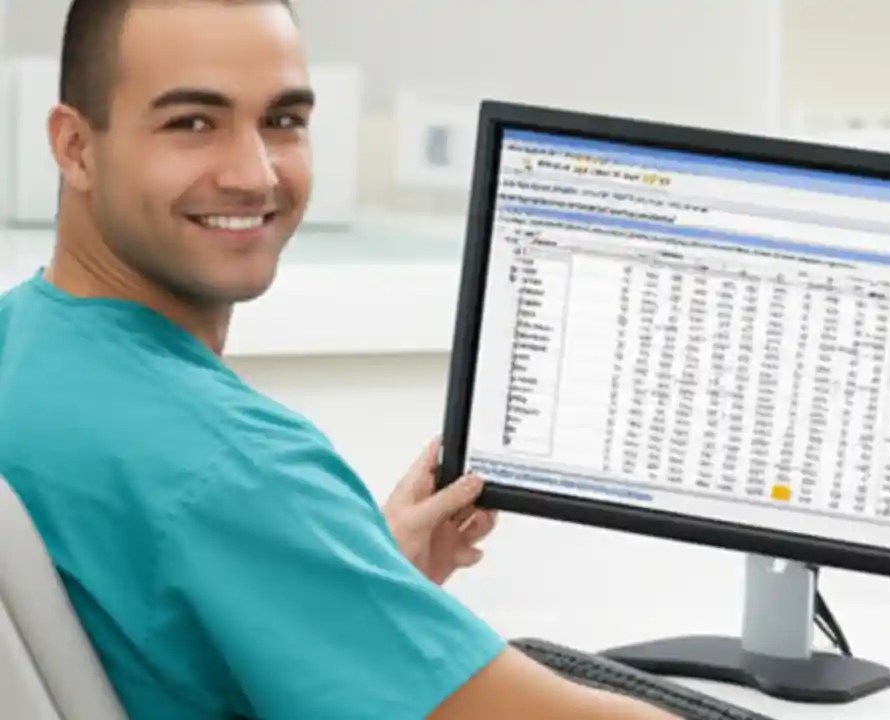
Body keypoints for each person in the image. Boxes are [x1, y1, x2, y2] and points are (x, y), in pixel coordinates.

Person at [0, 1, 675, 718]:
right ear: (75, 147)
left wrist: (354, 573)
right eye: (192, 123)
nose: (252, 173)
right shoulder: (237, 471)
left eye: (283, 121)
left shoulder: (23, 342)